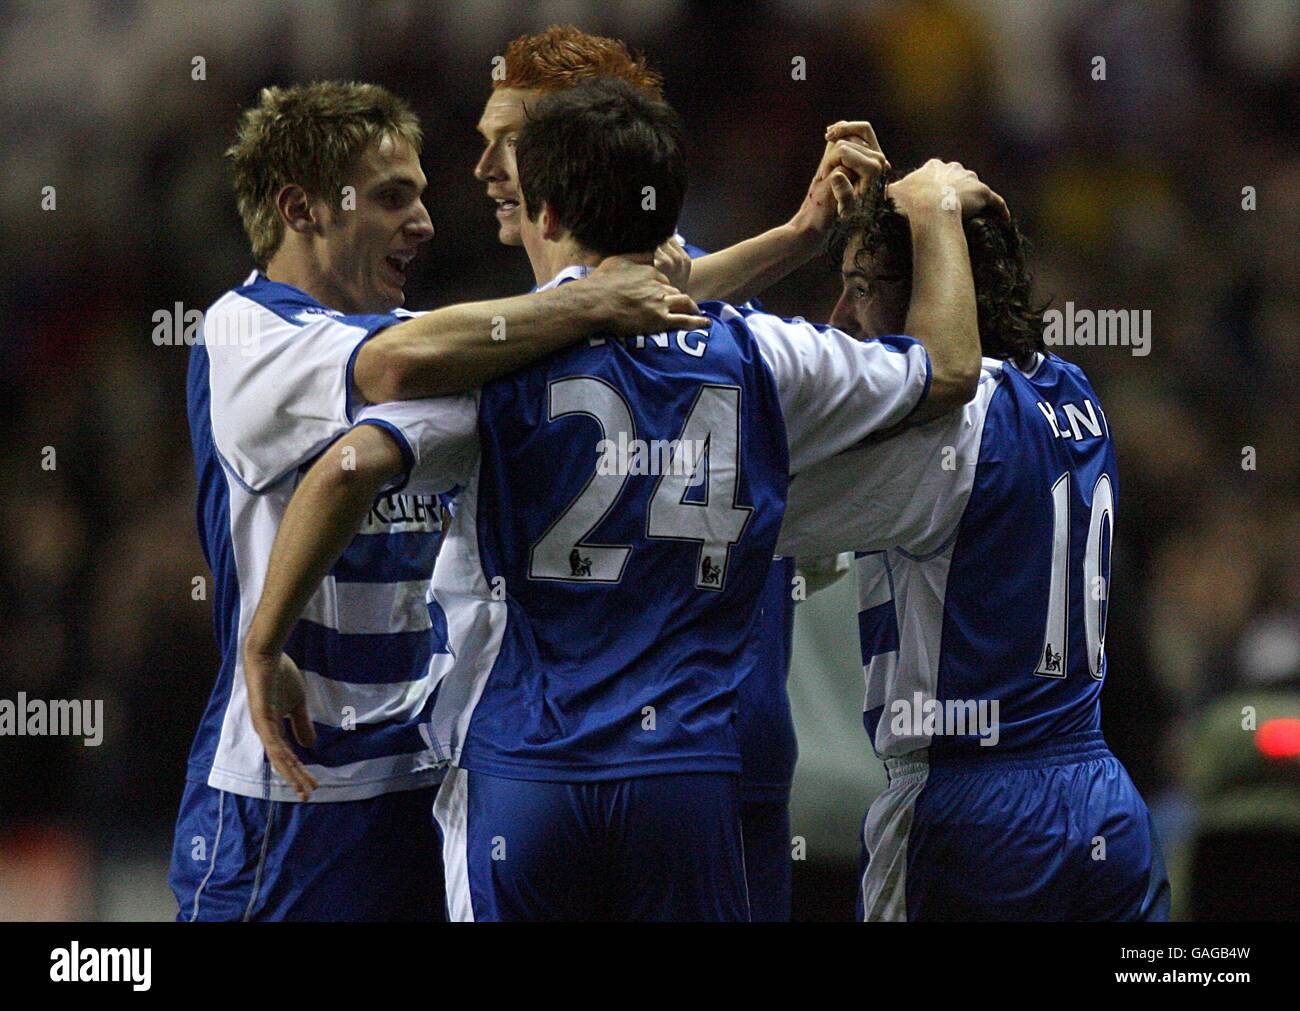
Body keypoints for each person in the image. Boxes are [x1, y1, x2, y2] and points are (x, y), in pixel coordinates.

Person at [239, 77, 991, 920]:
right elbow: (951, 370)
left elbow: (345, 468)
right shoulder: (764, 353)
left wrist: (264, 644)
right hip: (685, 778)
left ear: (548, 214)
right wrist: (937, 211)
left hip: (526, 774)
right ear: (666, 211)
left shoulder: (498, 357)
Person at [172, 80, 705, 922]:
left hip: (425, 775)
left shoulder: (429, 338)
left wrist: (788, 240)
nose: (423, 223)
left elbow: (590, 316)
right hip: (294, 788)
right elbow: (400, 364)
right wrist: (591, 298)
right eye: (393, 198)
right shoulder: (246, 333)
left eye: (420, 196)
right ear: (302, 208)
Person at [470, 24, 873, 919]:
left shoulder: (497, 355)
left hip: (573, 754)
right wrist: (805, 235)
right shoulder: (716, 324)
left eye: (512, 141)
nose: (490, 168)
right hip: (702, 749)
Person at [777, 173, 1171, 921]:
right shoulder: (1075, 391)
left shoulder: (944, 435)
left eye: (863, 287)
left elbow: (749, 510)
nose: (839, 317)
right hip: (1104, 802)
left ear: (936, 288)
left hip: (972, 816)